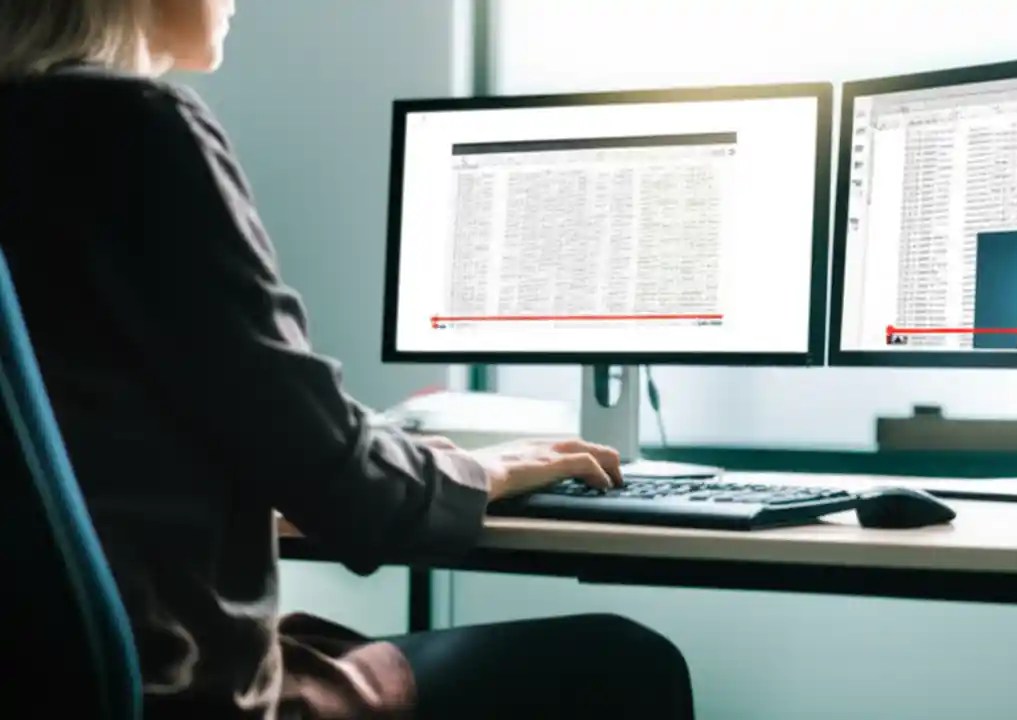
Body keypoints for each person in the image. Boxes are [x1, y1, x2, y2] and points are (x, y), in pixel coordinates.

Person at [0, 1, 695, 718]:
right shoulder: (134, 129)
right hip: (178, 691)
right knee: (623, 659)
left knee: (342, 644)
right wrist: (482, 471)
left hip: (49, 680)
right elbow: (340, 485)